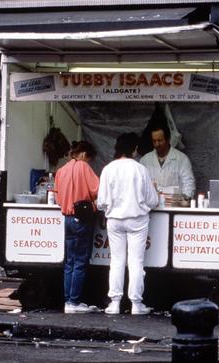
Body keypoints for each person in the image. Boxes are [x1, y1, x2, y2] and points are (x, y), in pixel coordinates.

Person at [97, 133, 159, 315]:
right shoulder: (140, 169)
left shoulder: (108, 169)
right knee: (136, 262)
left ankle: (114, 303)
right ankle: (136, 304)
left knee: (116, 261)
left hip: (114, 220)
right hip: (137, 220)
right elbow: (153, 200)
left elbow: (101, 201)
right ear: (134, 149)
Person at [54, 141, 99, 314]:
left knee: (70, 262)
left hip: (67, 219)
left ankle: (68, 301)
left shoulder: (61, 171)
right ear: (83, 154)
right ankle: (74, 302)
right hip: (82, 218)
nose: (88, 161)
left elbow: (58, 198)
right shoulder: (83, 167)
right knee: (80, 261)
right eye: (88, 157)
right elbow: (97, 189)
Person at [140, 124, 195, 200]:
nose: (157, 144)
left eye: (160, 140)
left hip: (175, 208)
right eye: (154, 141)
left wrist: (185, 200)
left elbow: (189, 185)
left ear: (168, 139)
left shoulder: (182, 159)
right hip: (152, 209)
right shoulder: (145, 160)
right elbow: (140, 186)